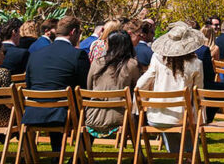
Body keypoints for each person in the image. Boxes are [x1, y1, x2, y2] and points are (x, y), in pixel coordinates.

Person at [137, 22, 205, 151]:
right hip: (181, 117)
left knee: (176, 118)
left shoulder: (157, 59)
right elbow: (199, 95)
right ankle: (187, 154)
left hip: (155, 116)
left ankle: (176, 154)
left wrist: (142, 103)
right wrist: (199, 120)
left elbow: (141, 84)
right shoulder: (196, 64)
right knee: (188, 117)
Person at [23, 16, 89, 137]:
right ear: (73, 32)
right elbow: (84, 87)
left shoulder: (35, 54)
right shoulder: (78, 55)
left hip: (33, 112)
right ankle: (82, 147)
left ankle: (57, 148)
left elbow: (29, 84)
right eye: (79, 33)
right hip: (63, 114)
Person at [85, 29, 142, 137]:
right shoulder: (132, 65)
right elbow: (137, 90)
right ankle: (137, 146)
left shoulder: (97, 63)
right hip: (120, 118)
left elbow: (89, 88)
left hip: (93, 117)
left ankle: (84, 146)